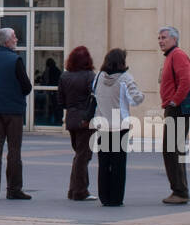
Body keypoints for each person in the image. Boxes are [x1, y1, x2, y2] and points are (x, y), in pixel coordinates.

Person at [0, 26, 32, 201]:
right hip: (13, 111)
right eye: (15, 37)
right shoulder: (15, 60)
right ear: (7, 41)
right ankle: (14, 189)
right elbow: (27, 86)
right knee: (14, 150)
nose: (17, 40)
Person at [91, 48, 144, 207]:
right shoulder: (125, 78)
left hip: (102, 126)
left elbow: (94, 94)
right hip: (120, 127)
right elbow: (136, 98)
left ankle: (104, 196)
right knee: (118, 164)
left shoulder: (99, 77)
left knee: (104, 163)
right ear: (122, 62)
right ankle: (116, 197)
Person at [158, 26, 190, 204]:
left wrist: (174, 101)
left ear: (174, 39)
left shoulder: (177, 55)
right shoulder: (170, 57)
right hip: (174, 108)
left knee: (171, 149)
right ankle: (179, 190)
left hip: (178, 109)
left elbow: (185, 81)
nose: (160, 41)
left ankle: (180, 191)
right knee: (172, 149)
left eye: (164, 37)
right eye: (159, 38)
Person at [59, 46, 98, 201]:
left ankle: (74, 189)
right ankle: (80, 191)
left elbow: (60, 101)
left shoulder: (65, 76)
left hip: (71, 118)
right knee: (83, 156)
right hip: (86, 120)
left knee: (79, 154)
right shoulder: (90, 76)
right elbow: (95, 99)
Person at [44, 57, 63, 125]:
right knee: (56, 106)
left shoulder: (51, 70)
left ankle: (56, 119)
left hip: (53, 91)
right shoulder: (57, 69)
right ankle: (58, 119)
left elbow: (50, 80)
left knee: (54, 106)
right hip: (56, 90)